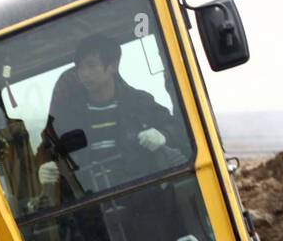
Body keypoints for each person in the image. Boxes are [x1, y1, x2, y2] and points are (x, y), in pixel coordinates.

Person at [38, 34, 183, 193]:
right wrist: (47, 165)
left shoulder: (140, 102)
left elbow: (180, 128)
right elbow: (48, 148)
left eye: (91, 66)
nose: (84, 73)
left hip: (144, 194)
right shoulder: (69, 115)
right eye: (80, 68)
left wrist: (163, 135)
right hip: (92, 202)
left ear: (113, 66)